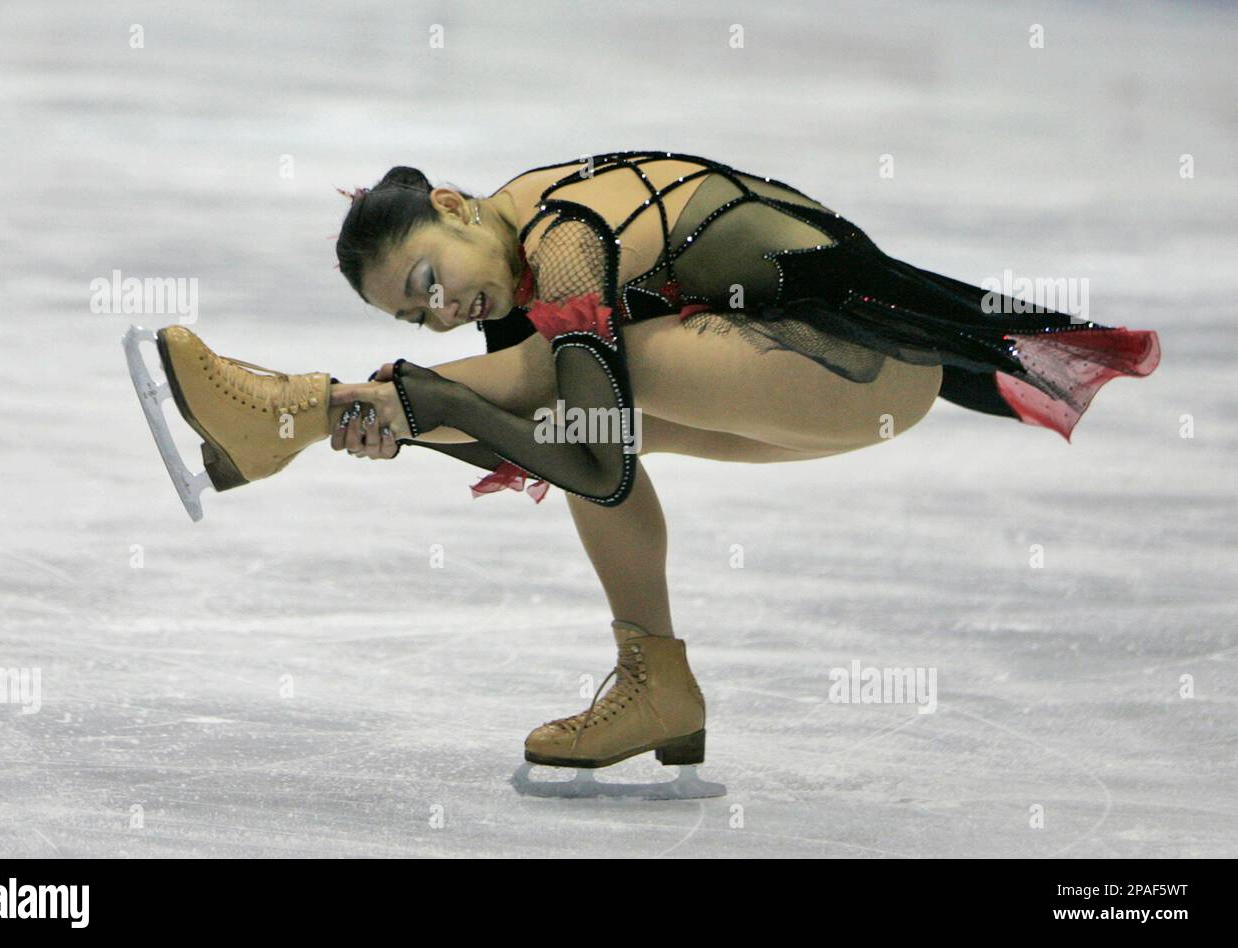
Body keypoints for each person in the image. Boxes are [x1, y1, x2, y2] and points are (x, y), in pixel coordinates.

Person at [148, 151, 1160, 771]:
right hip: (815, 375)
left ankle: (297, 412)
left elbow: (584, 459)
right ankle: (657, 684)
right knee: (564, 394)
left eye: (427, 282)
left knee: (568, 386)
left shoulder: (569, 239)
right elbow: (583, 446)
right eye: (418, 315)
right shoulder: (524, 244)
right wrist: (421, 412)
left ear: (454, 208)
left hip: (859, 368)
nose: (441, 311)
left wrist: (420, 403)